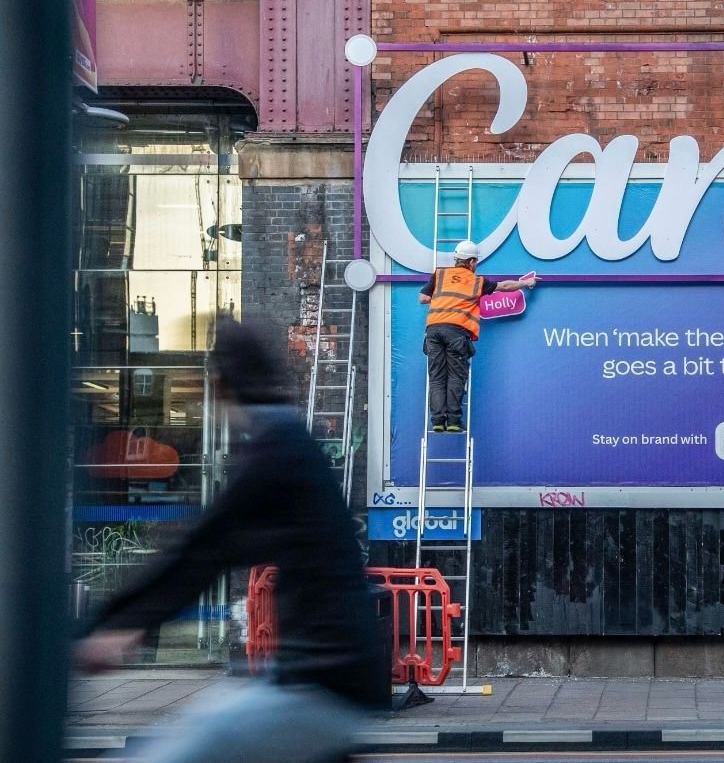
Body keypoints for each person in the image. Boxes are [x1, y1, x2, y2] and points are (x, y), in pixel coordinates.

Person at [73, 317, 391, 763]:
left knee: (172, 752)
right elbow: (215, 546)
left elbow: (205, 546)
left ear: (220, 381)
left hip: (322, 683)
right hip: (329, 676)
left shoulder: (276, 446)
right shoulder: (288, 438)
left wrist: (117, 626)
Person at [419, 239, 537, 431]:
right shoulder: (477, 282)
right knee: (456, 376)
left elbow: (423, 298)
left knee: (437, 377)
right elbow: (504, 286)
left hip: (433, 330)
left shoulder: (440, 274)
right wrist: (527, 282)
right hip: (456, 331)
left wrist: (444, 299)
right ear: (472, 261)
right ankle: (454, 422)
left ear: (456, 259)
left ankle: (438, 421)